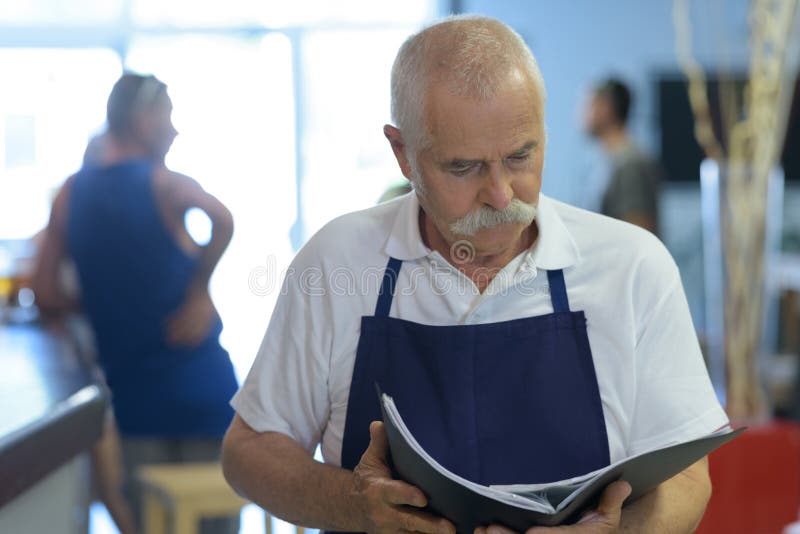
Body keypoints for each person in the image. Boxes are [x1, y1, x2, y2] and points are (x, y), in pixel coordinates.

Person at [222, 16, 728, 533]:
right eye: (464, 167)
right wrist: (352, 503)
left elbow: (687, 479)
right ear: (403, 154)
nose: (502, 194)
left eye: (520, 156)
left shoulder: (634, 267)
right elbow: (249, 450)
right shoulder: (336, 262)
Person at [33, 73, 239, 534]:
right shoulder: (163, 183)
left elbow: (44, 292)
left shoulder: (71, 192)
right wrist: (199, 287)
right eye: (168, 116)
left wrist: (99, 303)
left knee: (153, 524)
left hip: (134, 405)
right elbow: (222, 217)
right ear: (142, 119)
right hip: (203, 396)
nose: (174, 129)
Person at [584, 78, 662, 235]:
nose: (581, 113)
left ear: (605, 108)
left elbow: (639, 235)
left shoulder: (631, 164)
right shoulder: (611, 162)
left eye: (588, 104)